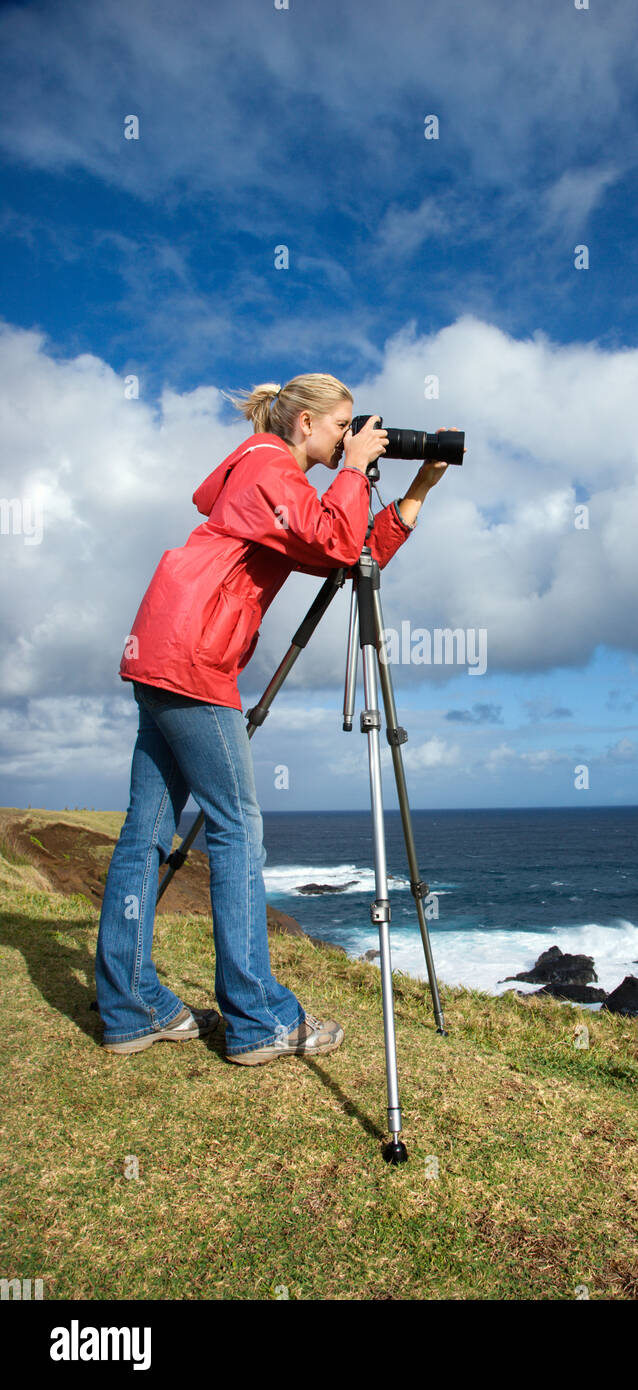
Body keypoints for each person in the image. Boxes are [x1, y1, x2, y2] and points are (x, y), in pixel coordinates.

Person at [95, 373, 449, 1065]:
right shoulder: (265, 465)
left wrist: (415, 493)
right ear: (305, 423)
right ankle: (257, 1021)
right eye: (343, 426)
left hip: (166, 651)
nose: (350, 439)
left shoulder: (271, 476)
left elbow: (344, 553)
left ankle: (130, 1006)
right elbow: (329, 540)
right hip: (194, 659)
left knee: (145, 833)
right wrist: (352, 472)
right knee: (236, 831)